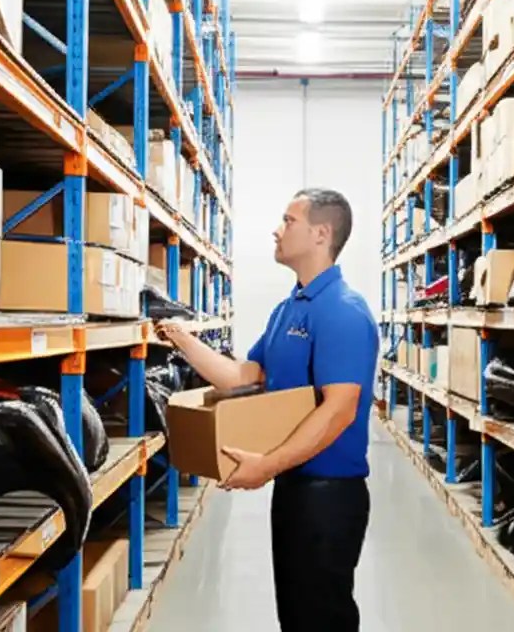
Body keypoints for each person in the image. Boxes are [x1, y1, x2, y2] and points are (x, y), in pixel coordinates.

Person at [157, 188, 378, 632]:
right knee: (297, 616)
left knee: (323, 618)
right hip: (295, 488)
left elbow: (339, 411)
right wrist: (182, 339)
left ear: (321, 233)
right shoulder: (287, 311)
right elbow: (243, 378)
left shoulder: (343, 311)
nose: (276, 230)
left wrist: (266, 465)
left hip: (330, 495)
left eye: (288, 221)